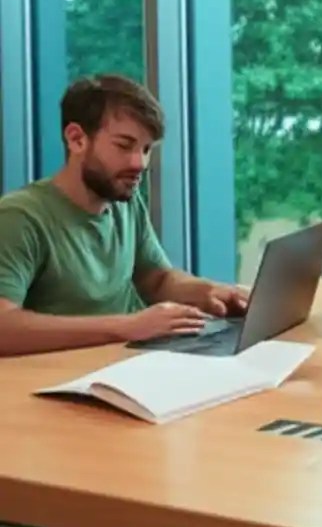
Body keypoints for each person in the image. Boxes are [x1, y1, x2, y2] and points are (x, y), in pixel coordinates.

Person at [0, 75, 248, 357]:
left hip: (130, 361)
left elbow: (156, 279)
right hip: (66, 379)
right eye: (124, 145)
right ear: (76, 139)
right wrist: (128, 326)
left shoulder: (123, 200)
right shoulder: (18, 218)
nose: (139, 163)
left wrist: (211, 292)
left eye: (145, 149)